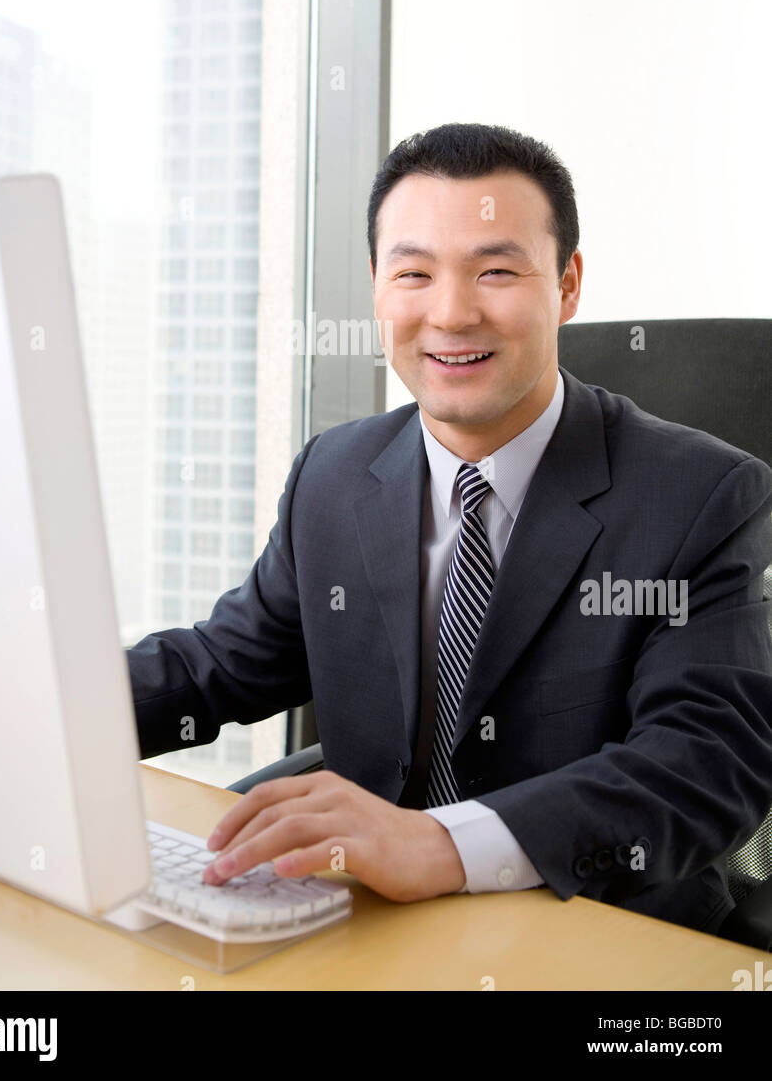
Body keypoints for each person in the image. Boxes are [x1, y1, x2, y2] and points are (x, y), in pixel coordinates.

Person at [126, 122, 772, 935]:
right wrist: (38, 713)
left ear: (567, 284)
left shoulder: (699, 495)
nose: (451, 312)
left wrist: (440, 844)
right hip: (360, 920)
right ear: (375, 287)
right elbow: (219, 664)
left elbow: (705, 763)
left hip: (594, 931)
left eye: (496, 270)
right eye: (414, 274)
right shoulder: (332, 474)